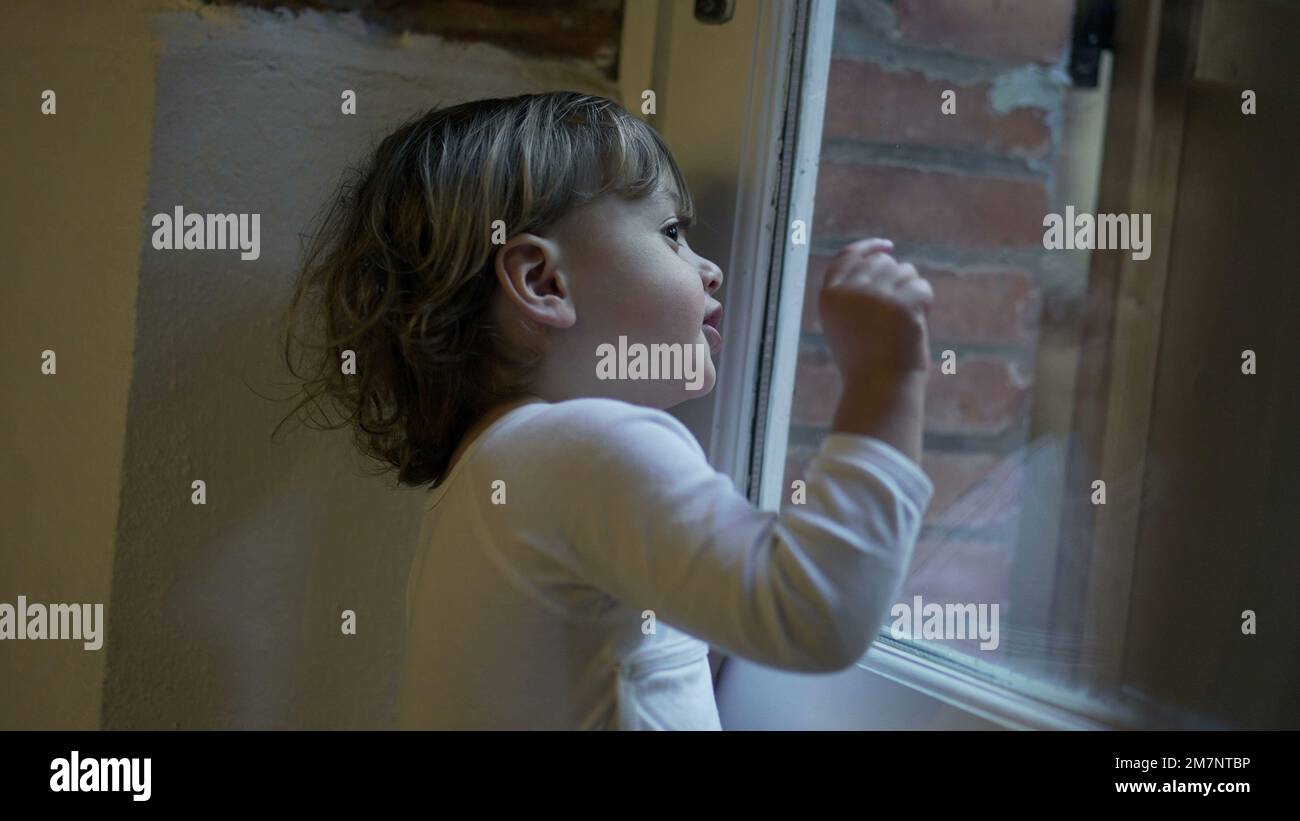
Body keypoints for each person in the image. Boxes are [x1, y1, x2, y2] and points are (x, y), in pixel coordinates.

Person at [280, 91, 935, 730]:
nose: (711, 269)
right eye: (671, 233)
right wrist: (886, 377)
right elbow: (816, 610)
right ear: (542, 282)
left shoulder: (489, 477)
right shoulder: (585, 443)